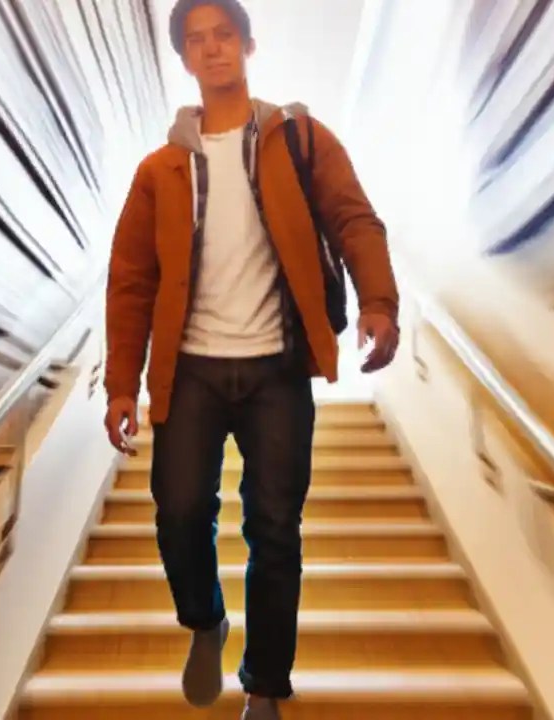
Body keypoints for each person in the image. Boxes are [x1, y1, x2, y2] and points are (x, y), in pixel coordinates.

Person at [102, 1, 399, 717]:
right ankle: (205, 621)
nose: (212, 51)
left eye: (223, 36)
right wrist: (121, 384)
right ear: (185, 60)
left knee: (274, 528)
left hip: (276, 368)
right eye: (197, 42)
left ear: (247, 45)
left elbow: (354, 219)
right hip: (193, 370)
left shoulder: (298, 137)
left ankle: (265, 684)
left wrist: (379, 304)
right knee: (178, 516)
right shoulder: (161, 170)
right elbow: (131, 280)